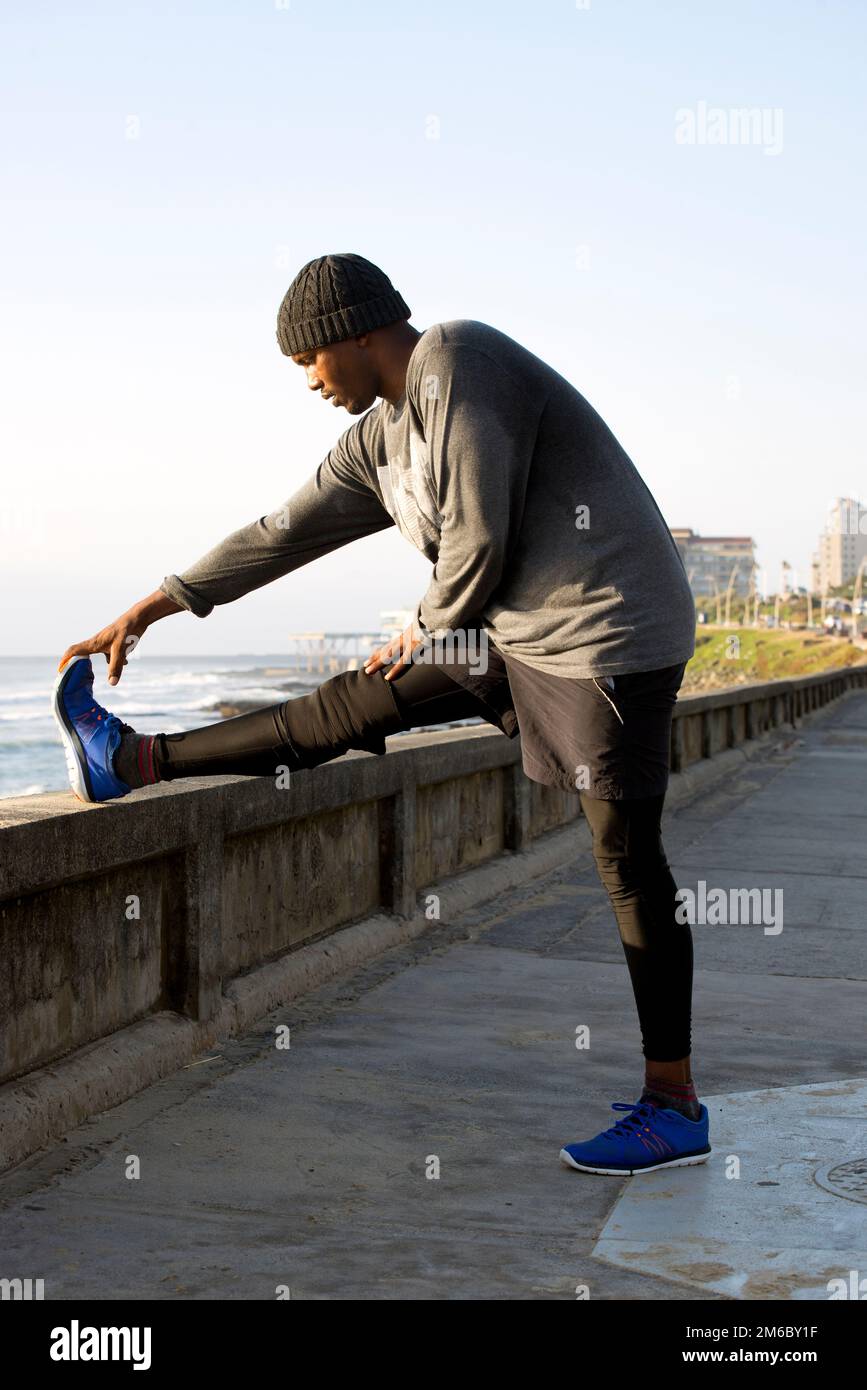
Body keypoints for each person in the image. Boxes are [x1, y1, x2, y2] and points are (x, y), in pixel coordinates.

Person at [54, 251, 710, 1176]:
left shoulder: (457, 361)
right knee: (352, 706)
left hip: (607, 635)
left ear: (360, 334)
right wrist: (153, 607)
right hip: (506, 633)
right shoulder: (379, 440)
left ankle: (673, 1104)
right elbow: (280, 533)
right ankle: (131, 760)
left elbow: (480, 529)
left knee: (626, 860)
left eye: (311, 363)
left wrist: (426, 622)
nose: (310, 383)